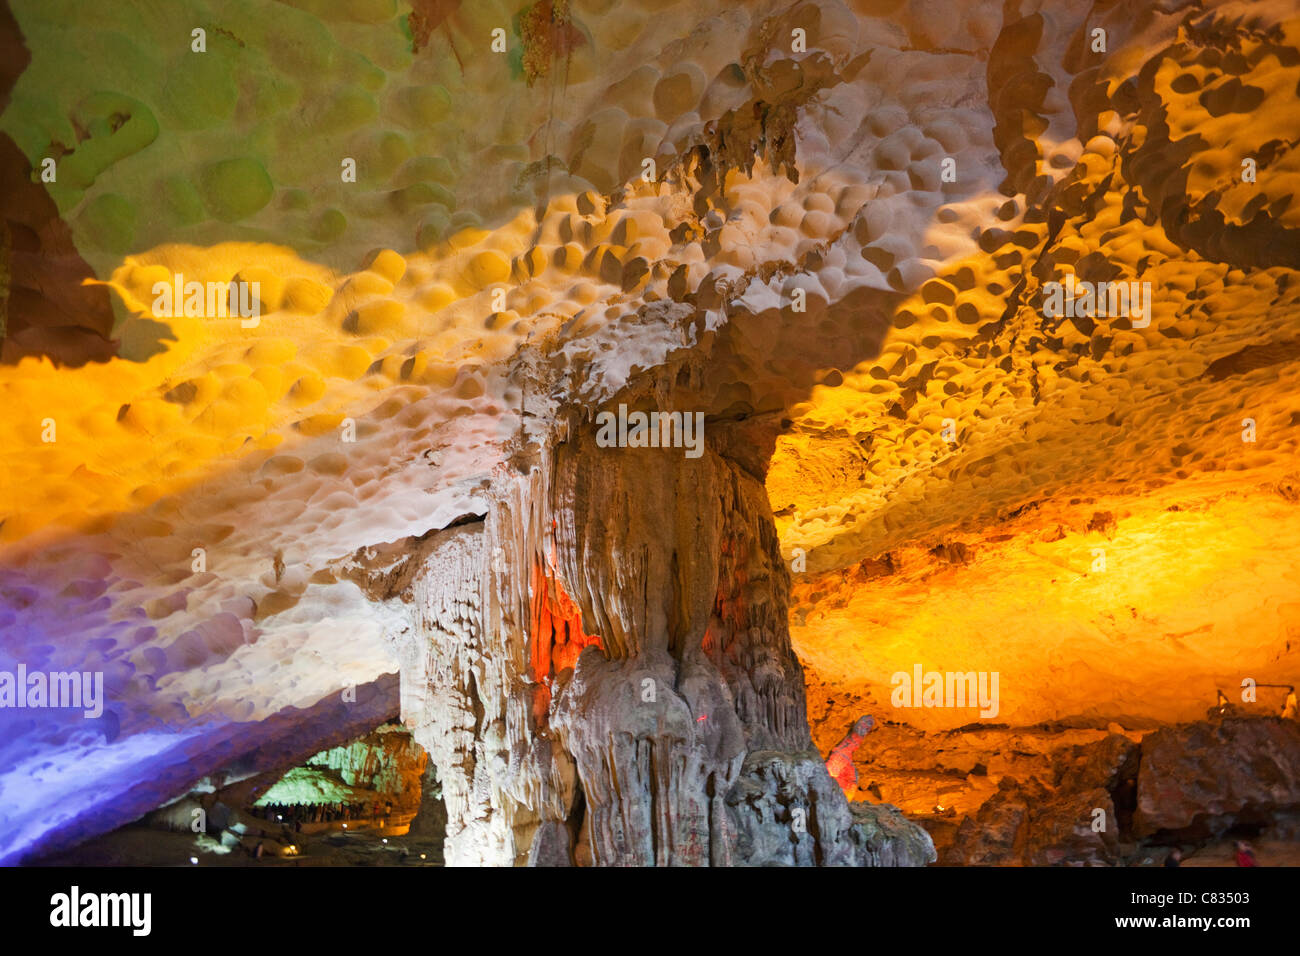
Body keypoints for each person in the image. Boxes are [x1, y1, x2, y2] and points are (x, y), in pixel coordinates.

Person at [825, 715, 876, 796]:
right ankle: (856, 737)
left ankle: (856, 737)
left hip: (837, 788)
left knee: (837, 760)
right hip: (844, 789)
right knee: (843, 758)